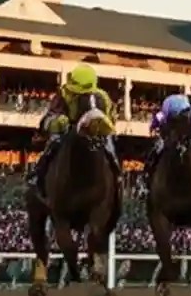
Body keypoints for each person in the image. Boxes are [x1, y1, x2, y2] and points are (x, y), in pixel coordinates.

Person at [26, 63, 122, 197]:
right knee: (53, 144)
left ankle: (117, 176)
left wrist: (102, 125)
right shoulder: (63, 94)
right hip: (68, 129)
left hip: (95, 132)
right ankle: (38, 174)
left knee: (110, 146)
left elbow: (111, 119)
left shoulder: (102, 97)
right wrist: (58, 121)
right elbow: (47, 119)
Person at [141, 94, 191, 188]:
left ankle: (144, 183)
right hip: (184, 135)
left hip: (172, 134)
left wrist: (154, 128)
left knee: (155, 153)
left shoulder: (168, 103)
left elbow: (158, 119)